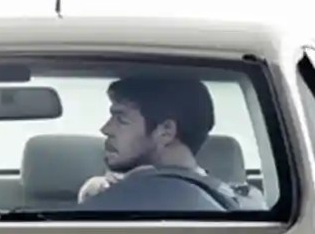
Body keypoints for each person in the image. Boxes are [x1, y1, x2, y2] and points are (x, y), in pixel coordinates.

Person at [76, 76, 242, 211]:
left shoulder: (116, 203)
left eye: (121, 120)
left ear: (166, 131)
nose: (105, 129)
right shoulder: (239, 205)